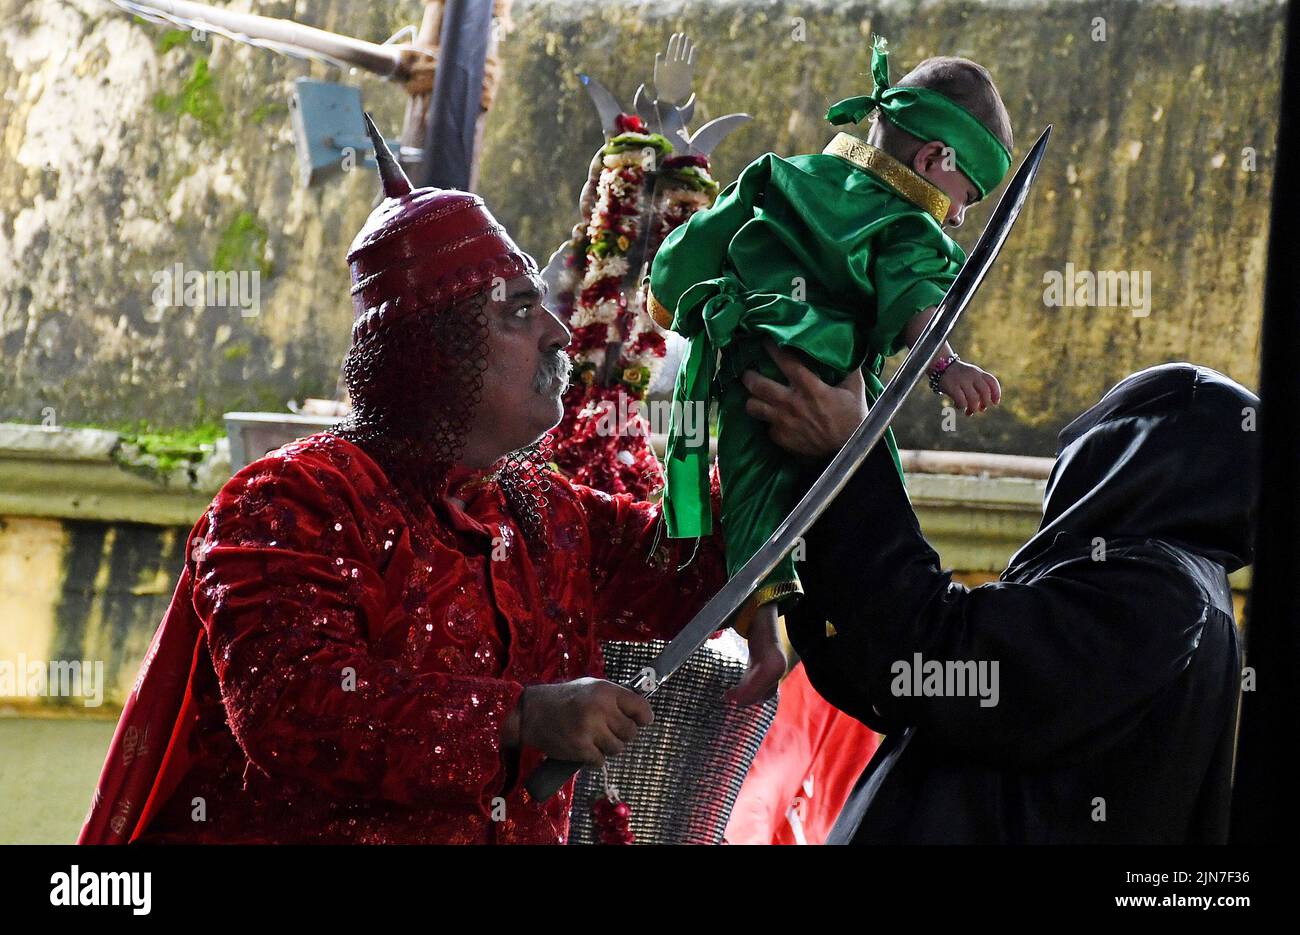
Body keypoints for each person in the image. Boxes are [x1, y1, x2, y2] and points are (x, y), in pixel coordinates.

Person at [76, 116, 851, 845]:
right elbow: (294, 710)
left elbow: (690, 560)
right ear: (437, 349)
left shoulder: (536, 506)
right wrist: (522, 717)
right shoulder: (289, 501)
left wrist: (801, 419)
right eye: (519, 311)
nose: (556, 331)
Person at [786, 363, 1258, 843]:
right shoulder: (1167, 589)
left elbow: (938, 652)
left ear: (1135, 455)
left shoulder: (1159, 593)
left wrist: (847, 459)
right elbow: (917, 690)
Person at [647, 34, 1011, 651]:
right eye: (967, 197)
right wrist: (945, 367)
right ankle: (805, 641)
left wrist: (666, 297)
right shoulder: (906, 225)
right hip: (828, 370)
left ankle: (759, 640)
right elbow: (918, 302)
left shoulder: (785, 173)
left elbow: (706, 235)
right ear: (932, 161)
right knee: (867, 478)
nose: (958, 217)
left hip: (746, 356)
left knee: (748, 491)